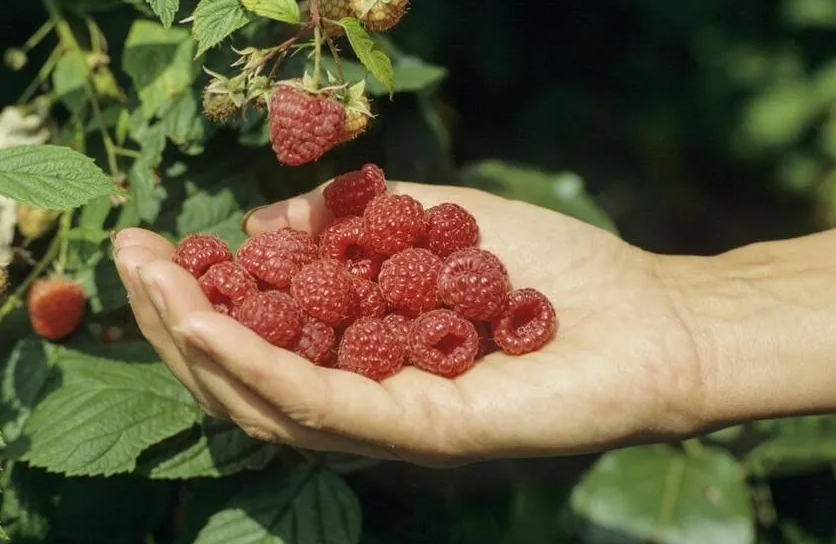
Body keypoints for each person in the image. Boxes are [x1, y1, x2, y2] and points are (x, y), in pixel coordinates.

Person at [112, 180, 836, 468]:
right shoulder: (342, 284)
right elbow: (356, 303)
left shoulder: (430, 281)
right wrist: (687, 318)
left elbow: (389, 295)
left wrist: (686, 323)